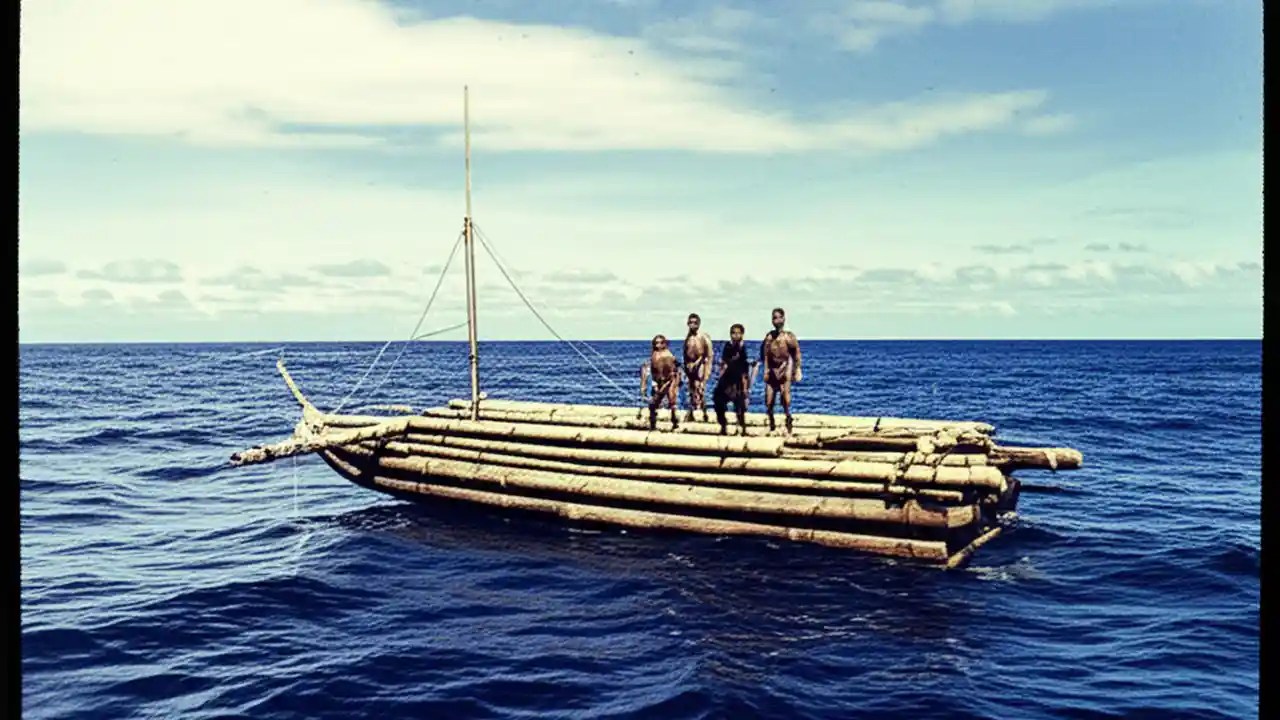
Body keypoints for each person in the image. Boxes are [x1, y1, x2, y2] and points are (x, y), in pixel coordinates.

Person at [759, 307, 802, 434]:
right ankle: (771, 421)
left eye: (779, 317)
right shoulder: (769, 337)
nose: (776, 320)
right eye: (774, 318)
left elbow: (796, 354)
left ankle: (788, 419)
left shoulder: (789, 337)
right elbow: (765, 354)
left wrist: (797, 369)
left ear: (783, 319)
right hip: (772, 370)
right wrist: (766, 370)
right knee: (769, 400)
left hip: (784, 370)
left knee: (785, 398)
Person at [712, 323, 754, 435]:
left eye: (738, 333)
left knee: (740, 406)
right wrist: (719, 377)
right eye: (733, 333)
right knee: (718, 401)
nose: (735, 335)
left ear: (742, 335)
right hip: (726, 379)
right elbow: (724, 363)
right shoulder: (727, 347)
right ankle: (723, 426)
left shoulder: (742, 349)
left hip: (738, 380)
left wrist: (746, 388)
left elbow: (744, 369)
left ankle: (742, 428)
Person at [640, 334, 681, 431]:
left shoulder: (667, 355)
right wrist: (649, 384)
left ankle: (674, 423)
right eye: (656, 343)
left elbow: (675, 370)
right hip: (659, 382)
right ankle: (654, 425)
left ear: (664, 344)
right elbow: (650, 370)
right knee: (654, 405)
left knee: (671, 403)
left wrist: (672, 383)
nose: (658, 345)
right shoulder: (655, 355)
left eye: (660, 343)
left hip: (669, 381)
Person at [682, 313, 714, 423]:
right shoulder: (687, 338)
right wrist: (686, 366)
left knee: (700, 389)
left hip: (701, 365)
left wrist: (706, 371)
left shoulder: (703, 337)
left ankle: (704, 413)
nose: (692, 325)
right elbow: (685, 353)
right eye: (690, 323)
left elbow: (709, 354)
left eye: (695, 323)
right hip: (690, 366)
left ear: (699, 324)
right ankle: (691, 411)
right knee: (691, 391)